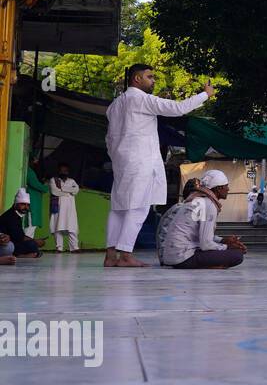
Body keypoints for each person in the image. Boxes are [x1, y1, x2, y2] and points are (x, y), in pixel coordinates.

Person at [104, 63, 215, 267]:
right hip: (140, 161)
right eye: (150, 77)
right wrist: (205, 95)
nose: (153, 80)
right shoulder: (140, 99)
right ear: (137, 79)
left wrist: (117, 157)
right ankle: (126, 255)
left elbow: (109, 139)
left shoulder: (115, 105)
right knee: (138, 208)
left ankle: (111, 255)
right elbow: (178, 108)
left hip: (122, 162)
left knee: (119, 208)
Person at [158, 169, 247, 269]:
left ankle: (212, 264)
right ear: (219, 188)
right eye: (226, 186)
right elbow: (206, 244)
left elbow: (200, 234)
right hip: (183, 258)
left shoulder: (198, 200)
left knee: (229, 252)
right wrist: (228, 247)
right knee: (237, 255)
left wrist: (223, 240)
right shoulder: (209, 204)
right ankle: (210, 265)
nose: (228, 189)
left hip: (173, 257)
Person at [0, 190, 44, 257]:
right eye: (23, 204)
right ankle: (20, 255)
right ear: (16, 204)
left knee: (32, 244)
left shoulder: (17, 215)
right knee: (32, 244)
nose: (26, 207)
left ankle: (25, 254)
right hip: (6, 243)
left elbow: (20, 235)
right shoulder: (10, 216)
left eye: (28, 205)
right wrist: (36, 241)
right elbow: (18, 238)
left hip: (14, 242)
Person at [50, 163, 80, 253]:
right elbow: (54, 191)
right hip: (58, 208)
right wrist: (68, 192)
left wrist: (62, 189)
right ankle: (59, 248)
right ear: (58, 171)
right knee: (58, 227)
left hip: (70, 209)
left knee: (72, 228)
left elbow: (76, 190)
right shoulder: (53, 180)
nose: (64, 172)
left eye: (66, 170)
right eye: (62, 170)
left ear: (68, 171)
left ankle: (74, 248)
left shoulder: (72, 181)